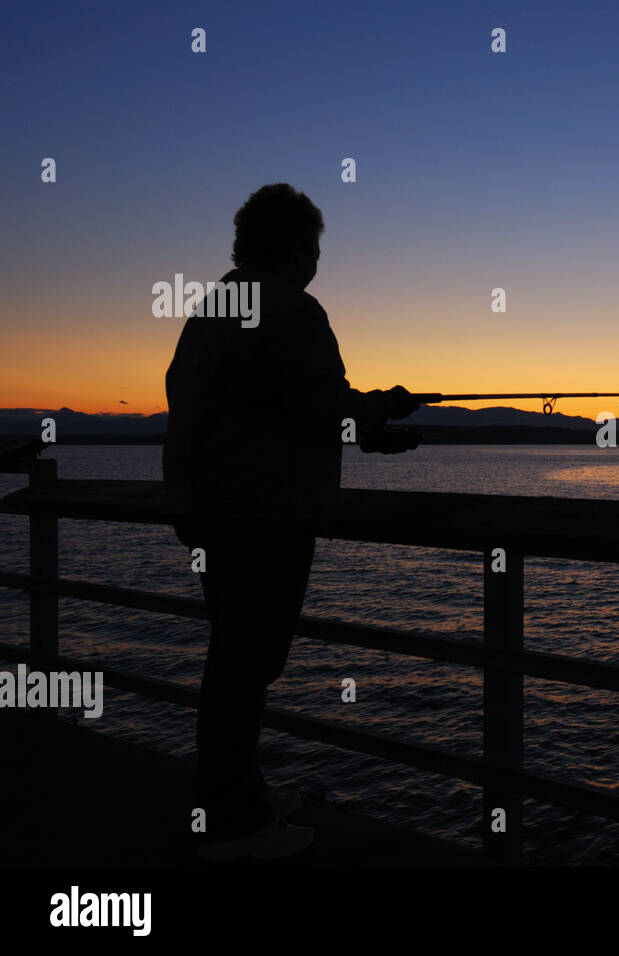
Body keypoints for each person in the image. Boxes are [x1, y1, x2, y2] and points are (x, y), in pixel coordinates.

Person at [162, 183, 420, 861]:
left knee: (232, 662)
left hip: (205, 509)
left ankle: (230, 808)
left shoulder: (211, 308)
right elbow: (317, 402)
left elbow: (270, 404)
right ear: (297, 247)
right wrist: (376, 410)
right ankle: (237, 826)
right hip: (262, 513)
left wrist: (365, 423)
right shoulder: (291, 309)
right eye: (315, 247)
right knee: (248, 666)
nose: (317, 262)